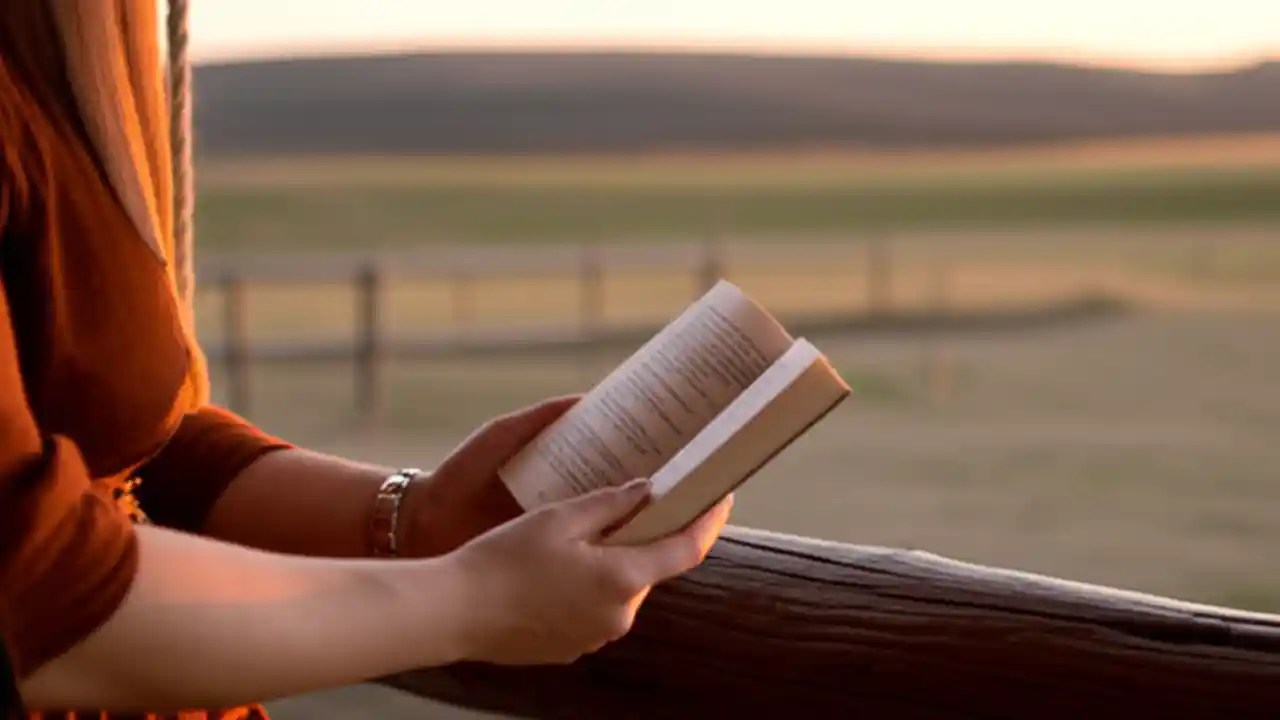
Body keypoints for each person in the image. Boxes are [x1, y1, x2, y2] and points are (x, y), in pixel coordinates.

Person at [0, 3, 732, 718]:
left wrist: (414, 518)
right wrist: (477, 600)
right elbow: (32, 588)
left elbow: (125, 452)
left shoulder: (59, 50)